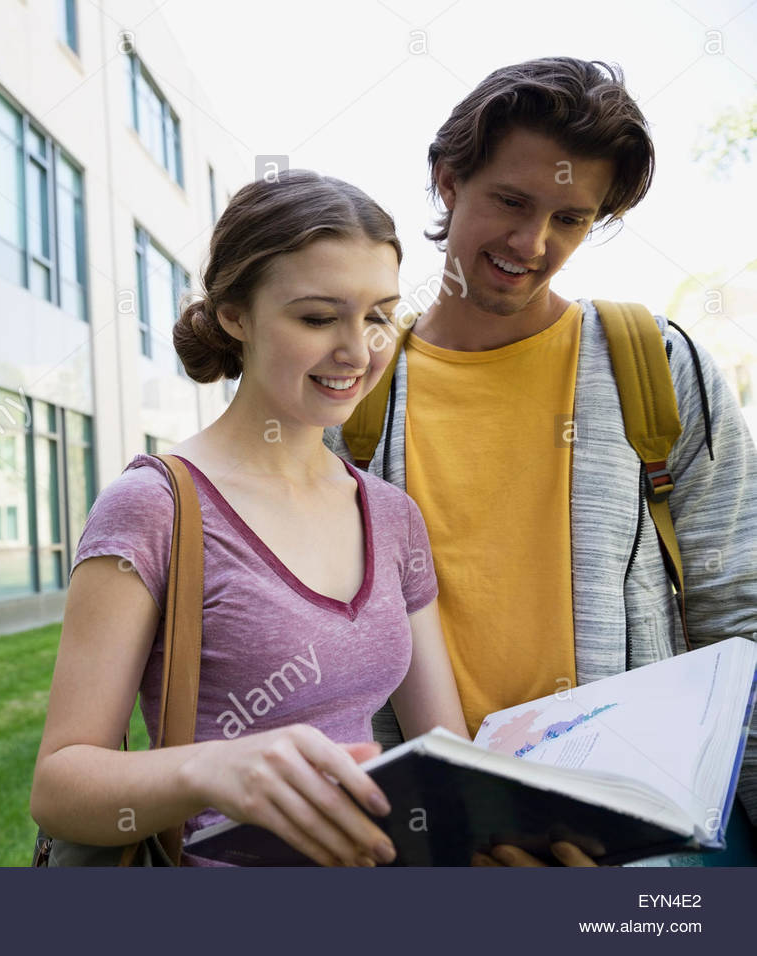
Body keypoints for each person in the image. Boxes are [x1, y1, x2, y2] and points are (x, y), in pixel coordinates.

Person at [325, 57, 757, 866]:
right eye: (512, 202)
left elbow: (739, 609)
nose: (532, 244)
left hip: (626, 852)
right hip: (433, 852)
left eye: (571, 217)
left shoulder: (658, 366)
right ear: (448, 181)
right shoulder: (350, 391)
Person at [29, 170, 469, 867]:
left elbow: (447, 754)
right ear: (235, 315)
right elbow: (58, 787)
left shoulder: (392, 517)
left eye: (380, 315)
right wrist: (210, 768)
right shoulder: (156, 506)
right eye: (319, 318)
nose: (358, 351)